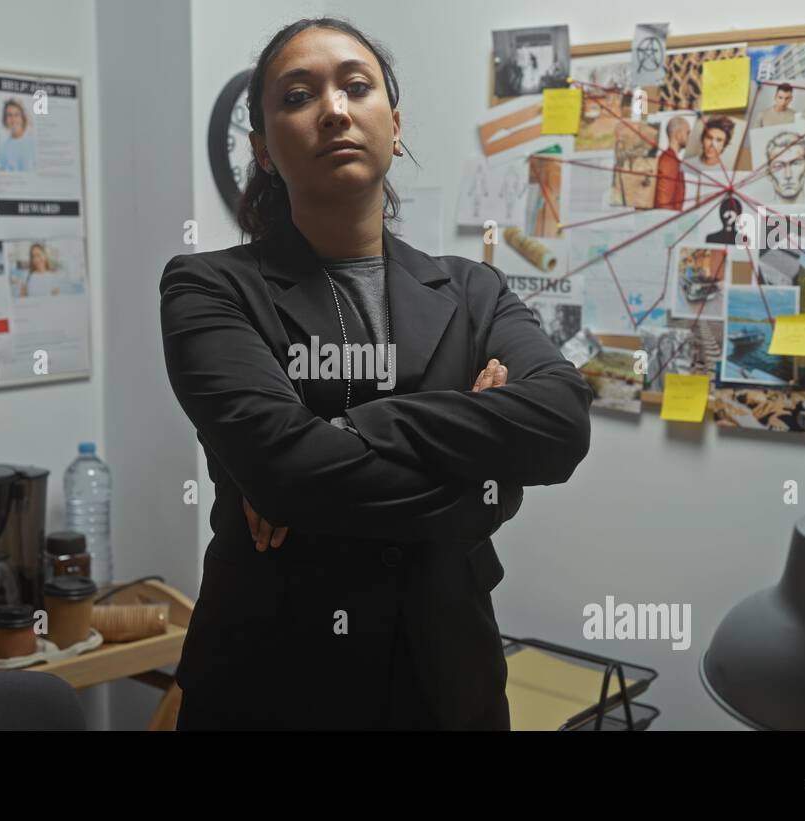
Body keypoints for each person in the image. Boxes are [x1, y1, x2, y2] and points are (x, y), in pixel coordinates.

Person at [160, 17, 593, 730]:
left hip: (447, 678)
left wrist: (353, 430)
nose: (333, 109)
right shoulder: (209, 288)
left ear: (393, 125)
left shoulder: (472, 290)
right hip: (271, 683)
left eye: (356, 87)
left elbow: (559, 423)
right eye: (298, 95)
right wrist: (486, 487)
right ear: (264, 151)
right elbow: (286, 469)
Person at [653, 116, 689, 210]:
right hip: (666, 220)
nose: (689, 137)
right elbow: (664, 201)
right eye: (687, 133)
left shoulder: (671, 159)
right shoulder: (669, 161)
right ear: (678, 134)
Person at [0, 99, 34, 172]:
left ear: (22, 118)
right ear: (5, 119)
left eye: (17, 115)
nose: (13, 119)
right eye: (9, 115)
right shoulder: (3, 147)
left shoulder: (32, 142)